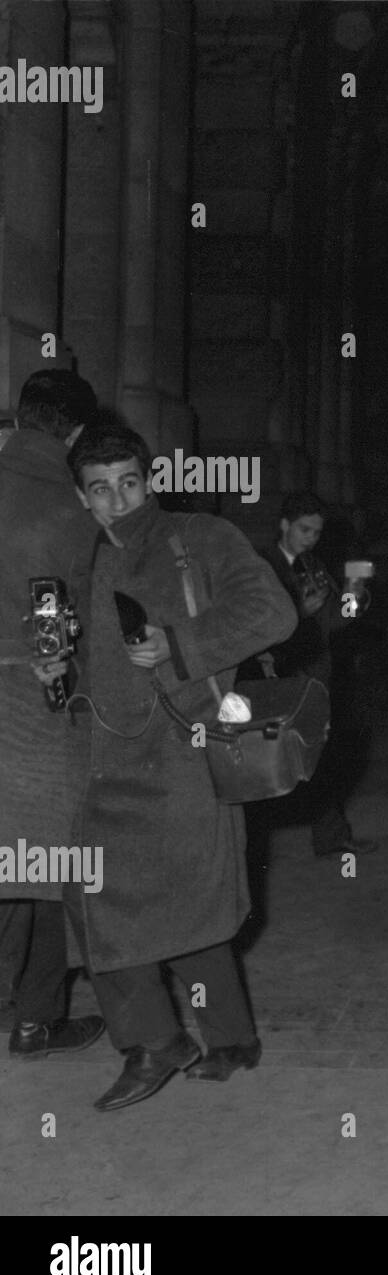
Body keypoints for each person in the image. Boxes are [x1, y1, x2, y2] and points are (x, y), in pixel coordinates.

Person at [50, 424, 297, 1110]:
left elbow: (273, 612)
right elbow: (76, 649)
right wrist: (54, 667)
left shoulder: (198, 538)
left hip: (185, 753)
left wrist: (178, 645)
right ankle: (158, 1040)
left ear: (150, 480)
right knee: (99, 900)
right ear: (81, 495)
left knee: (190, 902)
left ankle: (228, 1038)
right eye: (100, 490)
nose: (118, 501)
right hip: (102, 758)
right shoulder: (78, 555)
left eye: (129, 483)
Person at [0, 369, 105, 1060]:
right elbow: (72, 615)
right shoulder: (71, 510)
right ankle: (35, 1020)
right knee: (40, 862)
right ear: (72, 433)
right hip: (33, 704)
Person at [249, 491, 375, 859]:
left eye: (317, 533)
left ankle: (331, 835)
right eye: (304, 529)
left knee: (325, 757)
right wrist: (300, 611)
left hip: (316, 678)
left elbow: (334, 621)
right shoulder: (261, 565)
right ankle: (253, 846)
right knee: (268, 763)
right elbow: (258, 624)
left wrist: (355, 595)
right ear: (284, 525)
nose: (310, 538)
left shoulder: (313, 565)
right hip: (277, 678)